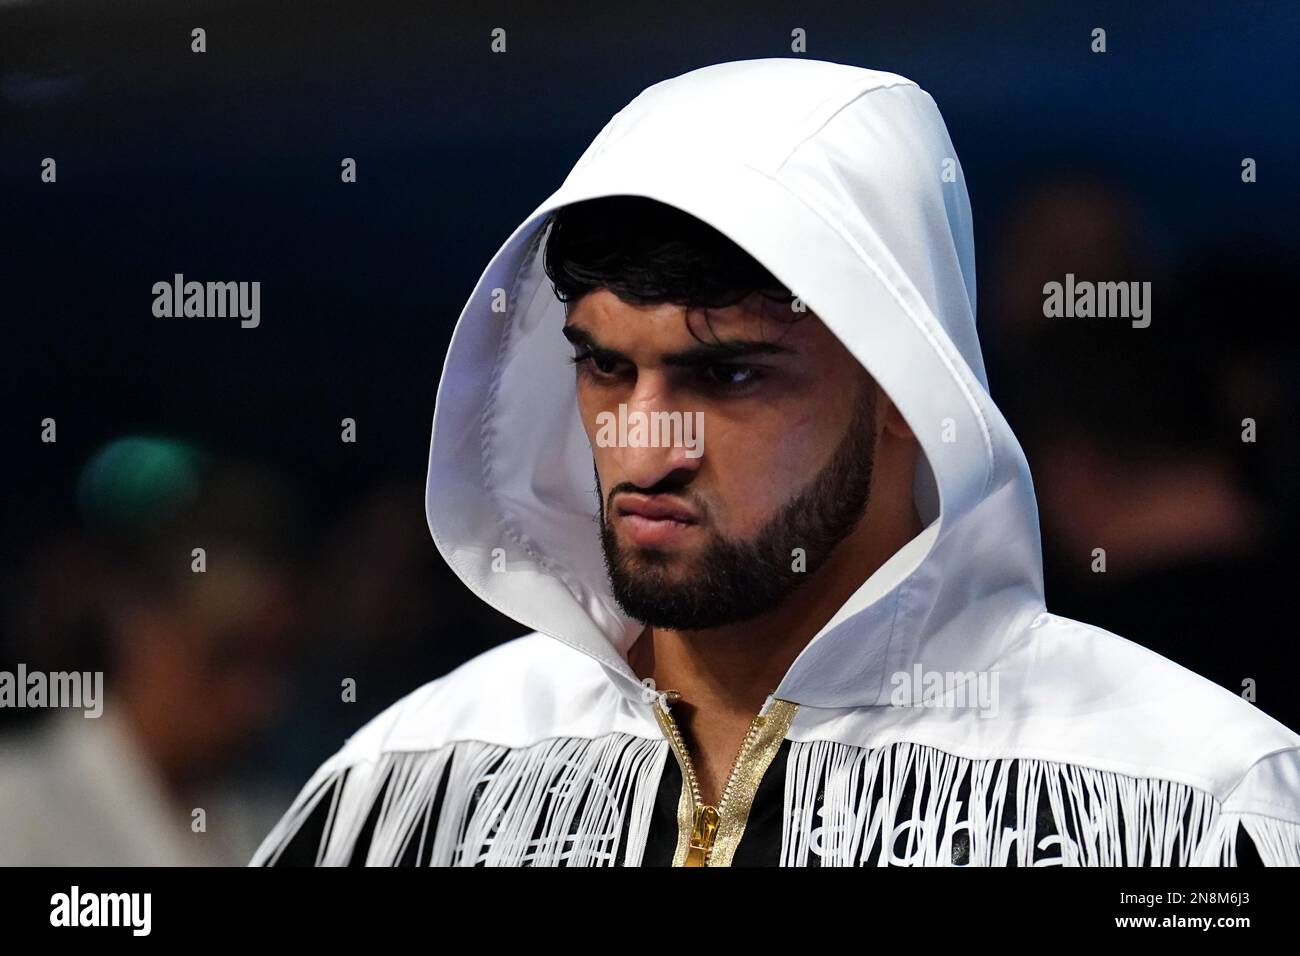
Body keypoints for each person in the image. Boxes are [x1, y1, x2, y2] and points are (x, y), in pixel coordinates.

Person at [252, 58, 1300, 867]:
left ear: (904, 385)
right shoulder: (410, 791)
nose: (640, 443)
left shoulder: (1184, 807)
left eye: (725, 376)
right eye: (605, 365)